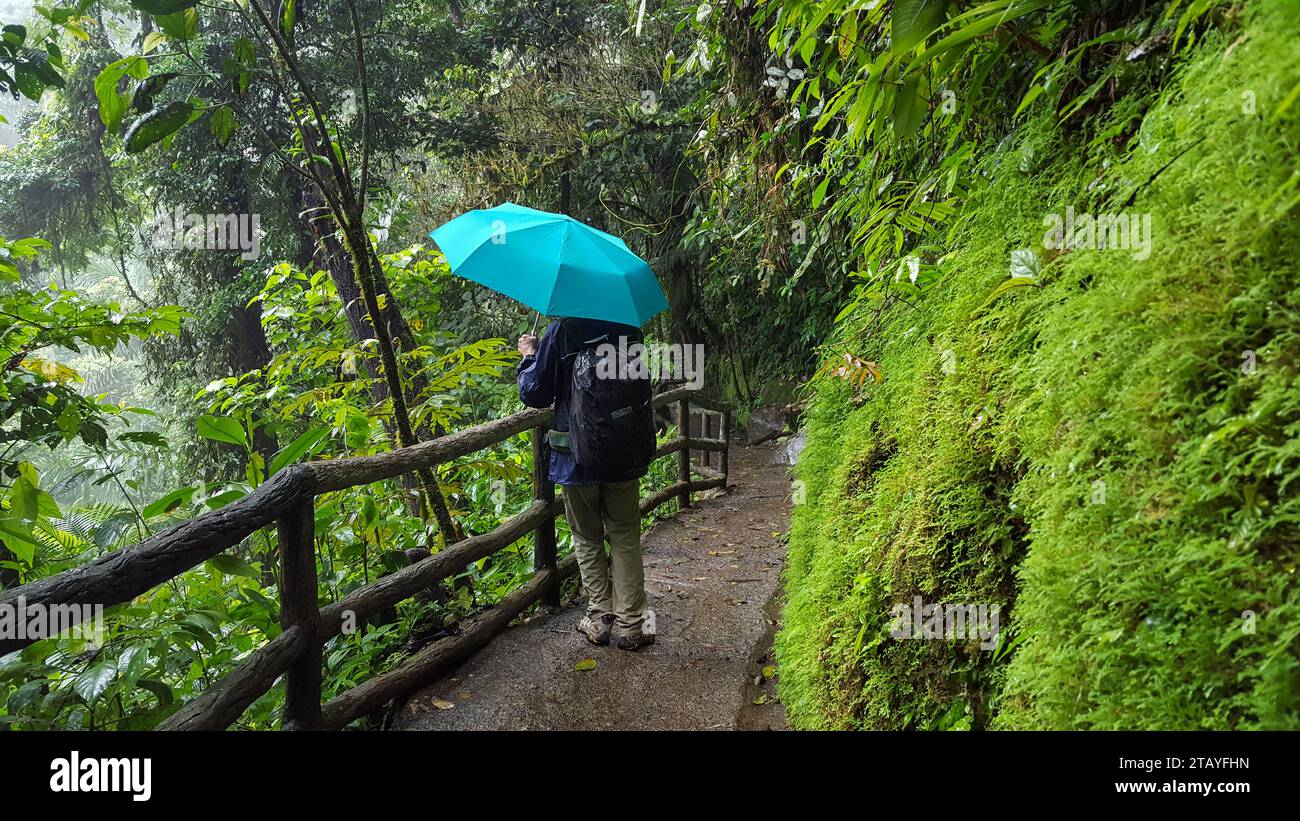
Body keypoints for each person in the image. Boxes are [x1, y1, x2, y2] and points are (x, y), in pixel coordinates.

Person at [517, 317, 654, 651]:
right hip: (624, 453)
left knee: (587, 537)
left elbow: (534, 393)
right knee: (624, 535)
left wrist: (528, 357)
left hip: (575, 458)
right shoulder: (629, 330)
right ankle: (632, 625)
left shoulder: (562, 331)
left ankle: (599, 617)